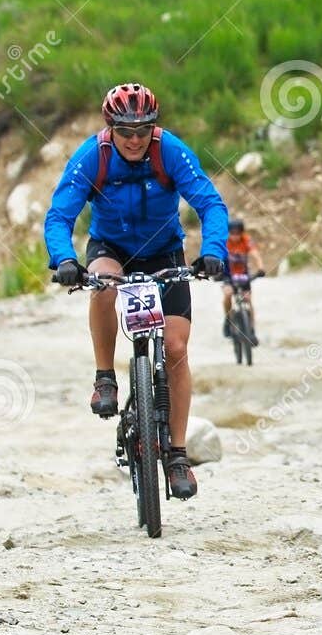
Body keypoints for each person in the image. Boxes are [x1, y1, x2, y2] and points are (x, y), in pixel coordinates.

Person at [44, 83, 229, 501]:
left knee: (177, 349)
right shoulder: (94, 156)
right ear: (110, 127)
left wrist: (213, 251)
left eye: (142, 131)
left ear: (153, 127)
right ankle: (105, 377)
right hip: (111, 249)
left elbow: (211, 204)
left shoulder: (170, 151)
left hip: (165, 251)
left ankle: (178, 454)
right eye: (125, 131)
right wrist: (65, 260)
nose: (133, 139)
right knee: (103, 287)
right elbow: (59, 214)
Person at [221, 218, 266, 344]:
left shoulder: (246, 240)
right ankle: (228, 320)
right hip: (227, 275)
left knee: (248, 299)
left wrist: (261, 267)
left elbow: (255, 253)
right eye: (232, 233)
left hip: (243, 274)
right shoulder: (224, 241)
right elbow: (218, 255)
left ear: (241, 232)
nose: (235, 236)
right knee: (228, 295)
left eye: (238, 233)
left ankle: (251, 330)